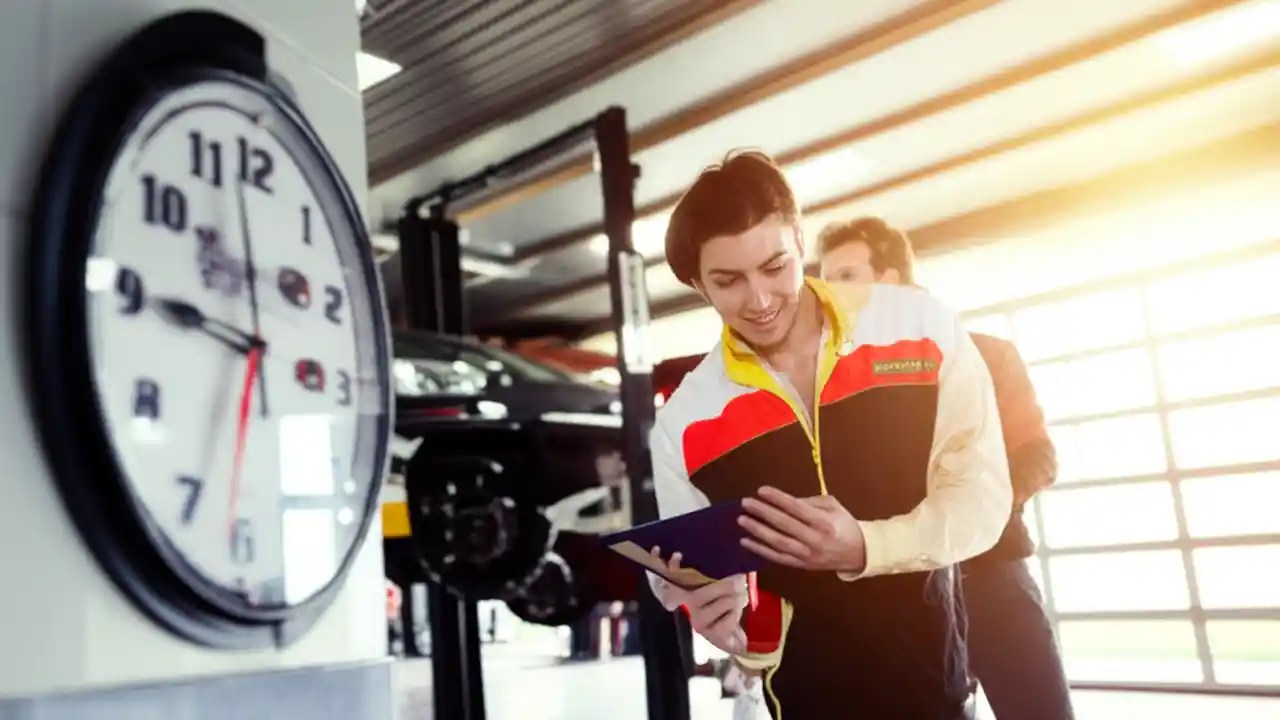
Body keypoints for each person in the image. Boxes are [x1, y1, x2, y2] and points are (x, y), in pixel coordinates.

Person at [645, 150, 1012, 719]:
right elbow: (685, 574)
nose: (760, 300)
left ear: (799, 238)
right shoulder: (682, 423)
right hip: (803, 701)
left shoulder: (918, 328)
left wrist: (865, 545)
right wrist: (699, 607)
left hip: (936, 686)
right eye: (728, 281)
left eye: (775, 267)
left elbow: (981, 501)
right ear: (698, 284)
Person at [818, 216, 1075, 720]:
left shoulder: (985, 354)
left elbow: (1038, 456)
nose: (827, 292)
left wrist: (968, 514)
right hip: (901, 594)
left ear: (889, 280)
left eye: (844, 276)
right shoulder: (840, 383)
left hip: (991, 576)